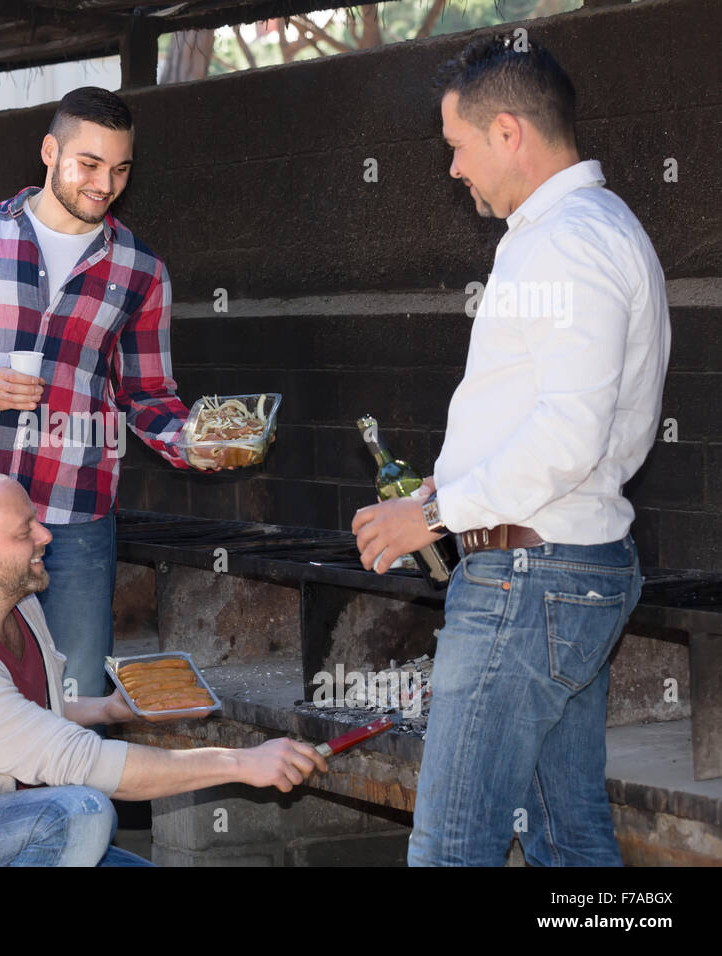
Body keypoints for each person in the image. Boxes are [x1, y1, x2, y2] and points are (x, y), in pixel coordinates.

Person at [351, 36, 670, 866]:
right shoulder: (593, 228)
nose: (454, 169)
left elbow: (570, 435)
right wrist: (454, 486)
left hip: (531, 579)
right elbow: (562, 423)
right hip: (562, 570)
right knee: (569, 845)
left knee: (452, 848)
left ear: (506, 132)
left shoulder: (567, 239)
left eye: (456, 146)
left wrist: (431, 513)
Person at [0, 470, 328, 866]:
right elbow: (87, 764)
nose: (45, 535)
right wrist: (243, 763)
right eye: (25, 531)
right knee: (82, 810)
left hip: (11, 826)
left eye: (36, 521)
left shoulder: (16, 603)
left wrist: (108, 709)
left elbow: (26, 713)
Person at [0, 87, 192, 705]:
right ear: (50, 152)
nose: (104, 183)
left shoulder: (141, 269)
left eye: (119, 169)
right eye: (89, 164)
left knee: (75, 696)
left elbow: (149, 393)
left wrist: (195, 443)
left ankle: (70, 807)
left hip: (78, 514)